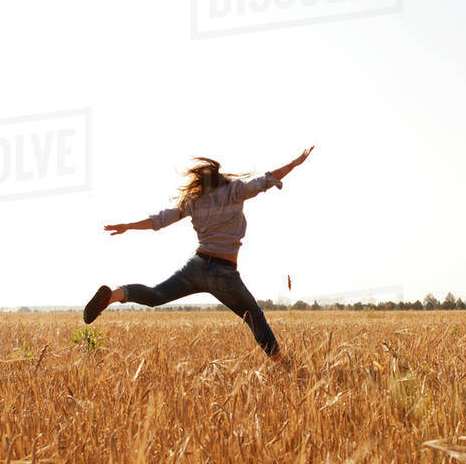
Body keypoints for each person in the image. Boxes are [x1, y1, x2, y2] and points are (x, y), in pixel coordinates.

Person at [83, 147, 315, 359]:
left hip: (196, 266)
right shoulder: (235, 191)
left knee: (155, 295)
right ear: (220, 178)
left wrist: (127, 226)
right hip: (224, 274)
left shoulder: (194, 201)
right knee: (254, 318)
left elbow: (159, 220)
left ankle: (112, 295)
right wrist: (294, 163)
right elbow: (266, 180)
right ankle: (282, 365)